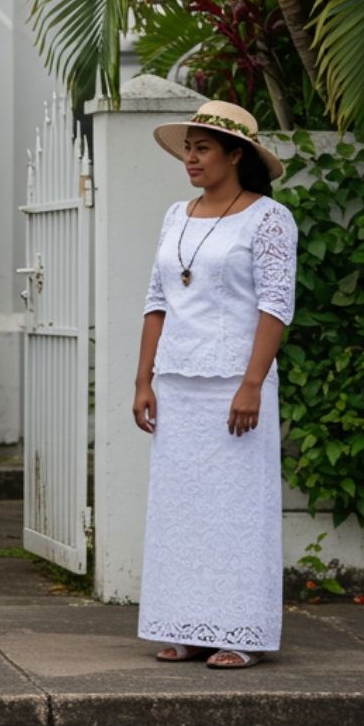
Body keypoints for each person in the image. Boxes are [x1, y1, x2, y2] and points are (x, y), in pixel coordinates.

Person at [132, 100, 298, 670]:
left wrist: (253, 383)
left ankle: (241, 632)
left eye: (203, 148)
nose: (191, 158)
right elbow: (157, 301)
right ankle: (184, 625)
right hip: (178, 384)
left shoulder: (268, 219)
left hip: (235, 385)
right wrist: (143, 379)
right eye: (188, 148)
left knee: (237, 512)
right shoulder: (175, 215)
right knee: (183, 511)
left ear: (236, 155)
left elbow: (275, 305)